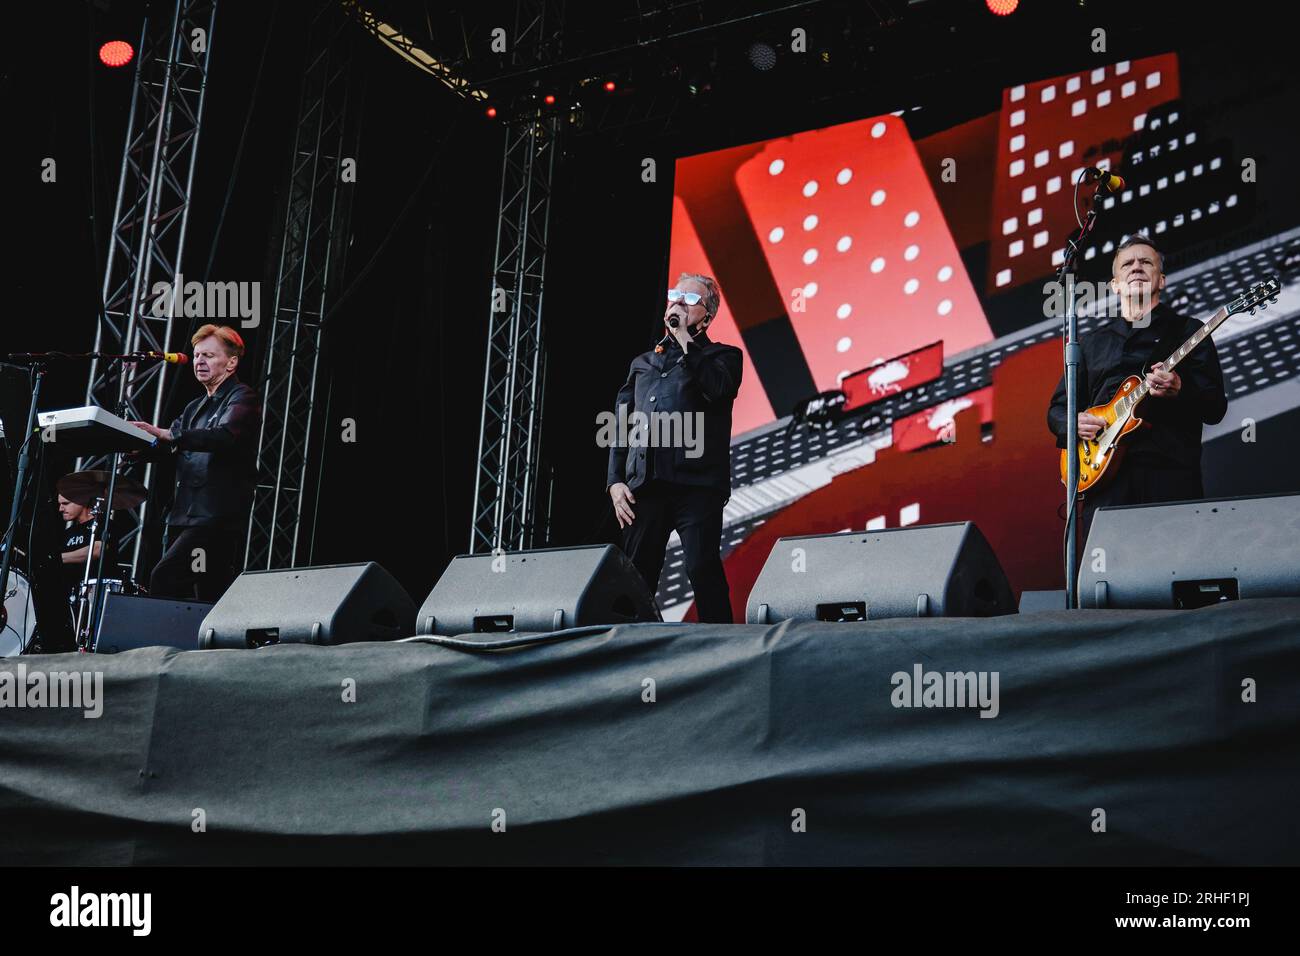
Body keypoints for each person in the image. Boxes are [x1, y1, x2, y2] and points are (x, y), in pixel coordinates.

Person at [1047, 235, 1227, 540]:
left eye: (1146, 263)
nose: (1137, 268)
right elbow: (1057, 409)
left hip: (1169, 475)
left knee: (1173, 571)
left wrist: (1181, 389)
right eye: (1128, 264)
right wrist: (1074, 422)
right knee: (1107, 579)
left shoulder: (1187, 331)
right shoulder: (1091, 344)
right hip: (1104, 481)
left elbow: (1215, 407)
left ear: (1162, 280)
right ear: (1116, 285)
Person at [607, 272, 743, 623]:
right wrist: (615, 480)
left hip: (697, 487)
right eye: (675, 295)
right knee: (635, 578)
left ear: (707, 317)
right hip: (646, 486)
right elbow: (622, 423)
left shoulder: (724, 357)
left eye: (691, 300)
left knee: (702, 568)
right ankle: (632, 652)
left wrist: (685, 339)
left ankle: (724, 649)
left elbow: (717, 389)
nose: (679, 303)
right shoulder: (643, 363)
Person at [133, 324, 261, 602]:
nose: (200, 361)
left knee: (165, 577)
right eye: (198, 355)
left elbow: (224, 437)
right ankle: (209, 645)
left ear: (231, 362)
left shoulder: (242, 398)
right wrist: (135, 446)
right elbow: (170, 446)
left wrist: (169, 434)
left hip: (215, 518)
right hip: (184, 514)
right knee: (209, 593)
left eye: (209, 356)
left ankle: (160, 644)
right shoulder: (194, 407)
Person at [57, 494, 117, 593]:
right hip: (68, 592)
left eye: (65, 504)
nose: (60, 509)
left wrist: (58, 558)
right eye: (59, 504)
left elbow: (97, 550)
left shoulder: (104, 524)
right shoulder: (67, 533)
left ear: (82, 501)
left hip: (95, 592)